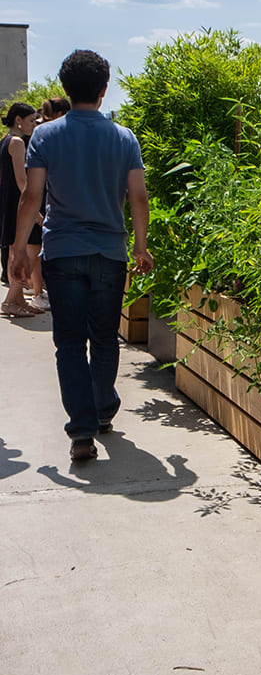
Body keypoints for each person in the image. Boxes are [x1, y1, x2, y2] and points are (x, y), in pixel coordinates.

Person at [10, 50, 153, 463]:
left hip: (63, 253)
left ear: (66, 90)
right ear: (104, 90)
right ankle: (103, 410)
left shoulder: (47, 136)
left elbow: (30, 196)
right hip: (110, 252)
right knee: (105, 337)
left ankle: (82, 431)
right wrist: (140, 247)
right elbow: (138, 197)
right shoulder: (124, 138)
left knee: (69, 342)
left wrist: (20, 250)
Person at [27, 97, 71, 312]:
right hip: (47, 198)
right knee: (36, 246)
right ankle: (38, 291)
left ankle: (38, 290)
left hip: (49, 205)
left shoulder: (42, 133)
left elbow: (30, 191)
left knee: (36, 246)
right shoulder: (51, 133)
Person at [1, 102, 43, 317]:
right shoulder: (17, 142)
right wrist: (34, 210)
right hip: (19, 204)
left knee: (13, 251)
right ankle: (10, 301)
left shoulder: (5, 140)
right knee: (29, 250)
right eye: (30, 120)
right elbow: (21, 180)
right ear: (18, 120)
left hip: (9, 203)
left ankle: (17, 300)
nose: (34, 125)